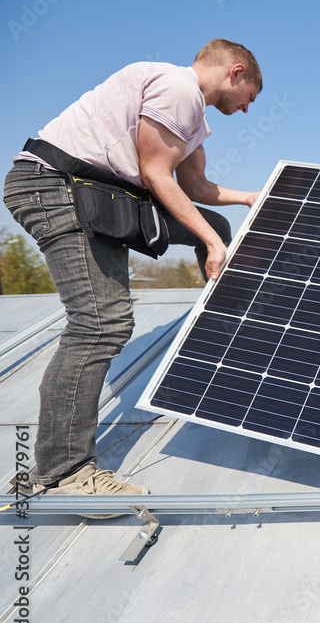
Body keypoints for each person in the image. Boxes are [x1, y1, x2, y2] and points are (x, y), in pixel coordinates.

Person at [3, 39, 263, 503]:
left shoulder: (195, 119)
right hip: (56, 188)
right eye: (251, 98)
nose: (246, 110)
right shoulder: (177, 88)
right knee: (100, 323)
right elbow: (157, 174)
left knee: (217, 224)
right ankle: (62, 471)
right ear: (236, 73)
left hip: (100, 198)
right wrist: (209, 242)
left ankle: (228, 335)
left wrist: (247, 199)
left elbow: (196, 185)